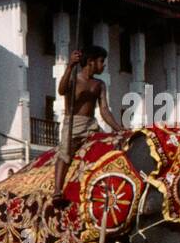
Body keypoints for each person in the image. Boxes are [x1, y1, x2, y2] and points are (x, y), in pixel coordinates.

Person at [53, 46, 126, 199]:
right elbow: (61, 90)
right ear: (90, 62)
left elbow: (104, 110)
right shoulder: (73, 79)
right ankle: (57, 190)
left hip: (91, 125)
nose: (103, 65)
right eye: (101, 61)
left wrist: (119, 129)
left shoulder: (99, 85)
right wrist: (70, 65)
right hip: (73, 124)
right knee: (64, 154)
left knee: (109, 146)